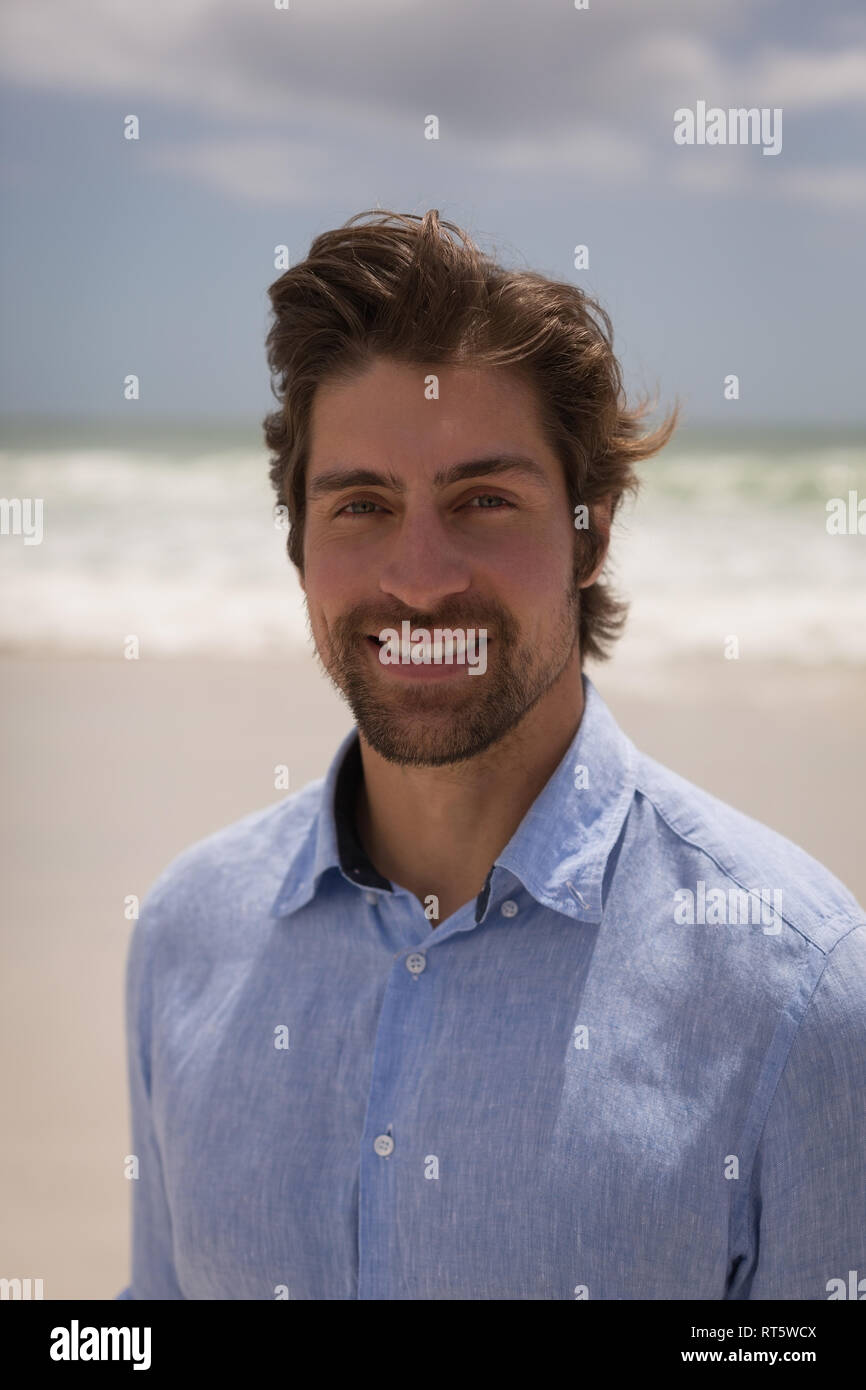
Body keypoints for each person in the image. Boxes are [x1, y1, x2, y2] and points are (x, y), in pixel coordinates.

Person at [117, 209, 866, 1300]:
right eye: (361, 504)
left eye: (483, 500)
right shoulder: (186, 938)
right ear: (298, 546)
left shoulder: (798, 996)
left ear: (590, 531)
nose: (419, 580)